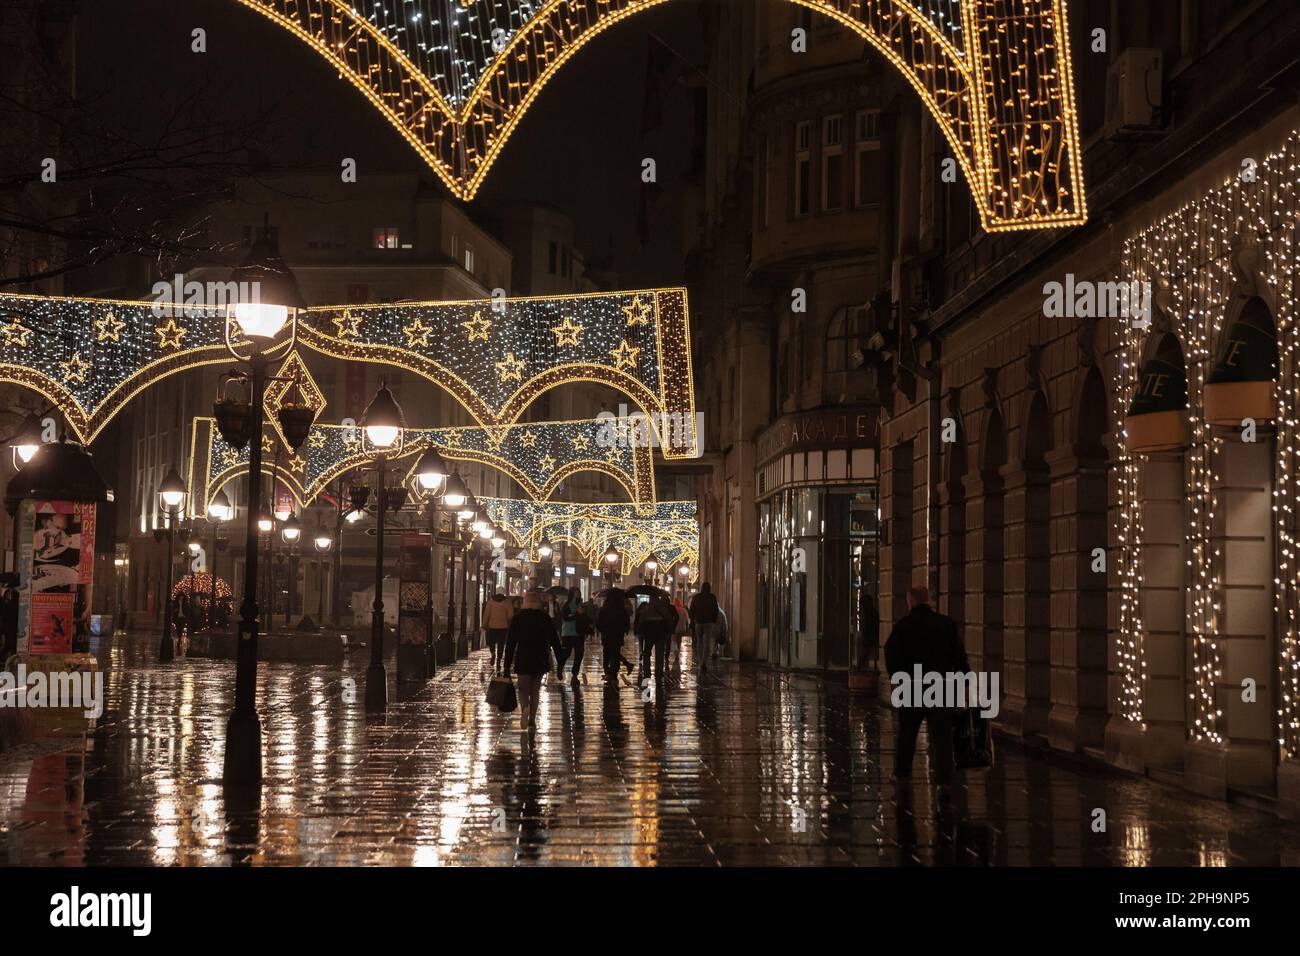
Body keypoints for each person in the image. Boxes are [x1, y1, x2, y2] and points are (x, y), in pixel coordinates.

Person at [883, 585, 970, 792]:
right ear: (928, 600)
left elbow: (890, 652)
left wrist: (897, 678)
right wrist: (965, 680)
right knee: (942, 736)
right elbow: (959, 654)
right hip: (941, 687)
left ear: (911, 602)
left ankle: (902, 774)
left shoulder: (903, 625)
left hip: (911, 687)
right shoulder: (946, 624)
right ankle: (943, 781)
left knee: (907, 733)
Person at [504, 590, 563, 734]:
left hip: (523, 657)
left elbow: (510, 643)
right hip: (540, 657)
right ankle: (531, 720)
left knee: (523, 689)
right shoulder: (544, 618)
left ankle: (525, 708)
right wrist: (560, 658)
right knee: (535, 690)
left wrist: (506, 664)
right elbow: (554, 640)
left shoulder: (518, 619)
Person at [634, 591, 677, 678]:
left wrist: (639, 630)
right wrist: (670, 630)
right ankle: (658, 673)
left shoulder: (646, 608)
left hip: (649, 634)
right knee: (659, 654)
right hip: (660, 634)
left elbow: (641, 621)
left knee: (647, 654)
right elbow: (669, 619)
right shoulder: (662, 608)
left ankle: (647, 672)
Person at [595, 590, 633, 681]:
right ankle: (613, 673)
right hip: (617, 635)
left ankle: (608, 672)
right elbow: (626, 622)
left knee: (607, 654)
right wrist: (624, 630)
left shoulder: (604, 609)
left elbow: (598, 622)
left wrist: (602, 630)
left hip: (607, 635)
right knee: (615, 654)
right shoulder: (621, 609)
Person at [555, 586, 585, 682]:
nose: (577, 594)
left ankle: (575, 675)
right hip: (568, 633)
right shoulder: (566, 605)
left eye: (578, 592)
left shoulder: (580, 604)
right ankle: (560, 668)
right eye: (576, 592)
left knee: (579, 654)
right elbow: (566, 618)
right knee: (566, 653)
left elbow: (583, 617)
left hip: (579, 633)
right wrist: (577, 613)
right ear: (572, 593)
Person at [689, 582, 721, 670]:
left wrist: (693, 619)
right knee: (707, 643)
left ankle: (699, 660)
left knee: (699, 642)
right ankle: (704, 662)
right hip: (709, 622)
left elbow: (691, 609)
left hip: (698, 622)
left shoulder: (696, 597)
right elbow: (716, 610)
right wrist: (714, 620)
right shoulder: (712, 597)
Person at [482, 589, 513, 673]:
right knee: (501, 644)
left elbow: (487, 614)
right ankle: (498, 660)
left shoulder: (491, 602)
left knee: (491, 642)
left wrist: (484, 624)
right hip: (503, 627)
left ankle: (492, 653)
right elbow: (511, 615)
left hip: (492, 626)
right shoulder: (507, 602)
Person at [0, 573, 19, 666]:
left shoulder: (14, 594)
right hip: (7, 624)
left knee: (10, 644)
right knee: (9, 644)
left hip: (12, 624)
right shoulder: (7, 594)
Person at [670, 595, 689, 667]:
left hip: (674, 628)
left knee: (674, 641)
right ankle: (678, 652)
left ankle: (676, 654)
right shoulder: (683, 610)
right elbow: (687, 620)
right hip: (682, 628)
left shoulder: (673, 609)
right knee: (679, 641)